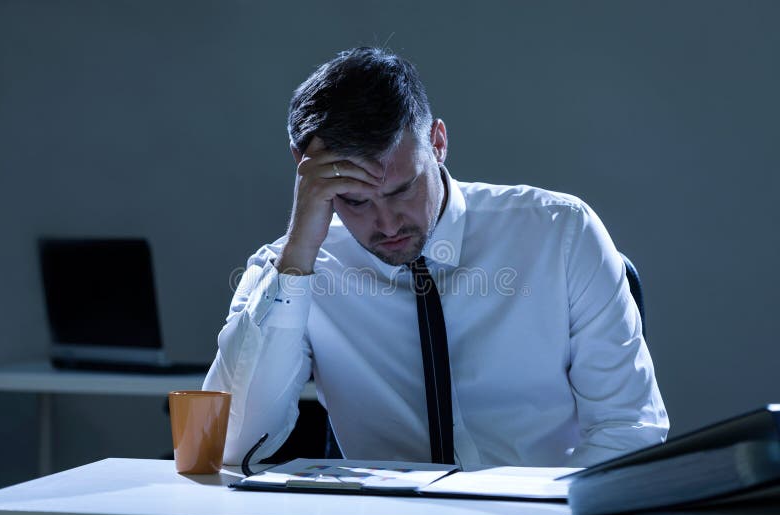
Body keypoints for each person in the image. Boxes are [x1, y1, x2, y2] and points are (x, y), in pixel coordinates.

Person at [203, 46, 669, 468]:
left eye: (403, 189)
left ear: (438, 142)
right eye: (355, 200)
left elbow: (630, 430)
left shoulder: (560, 233)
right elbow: (228, 445)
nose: (387, 224)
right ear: (306, 176)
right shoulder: (293, 267)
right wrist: (298, 256)